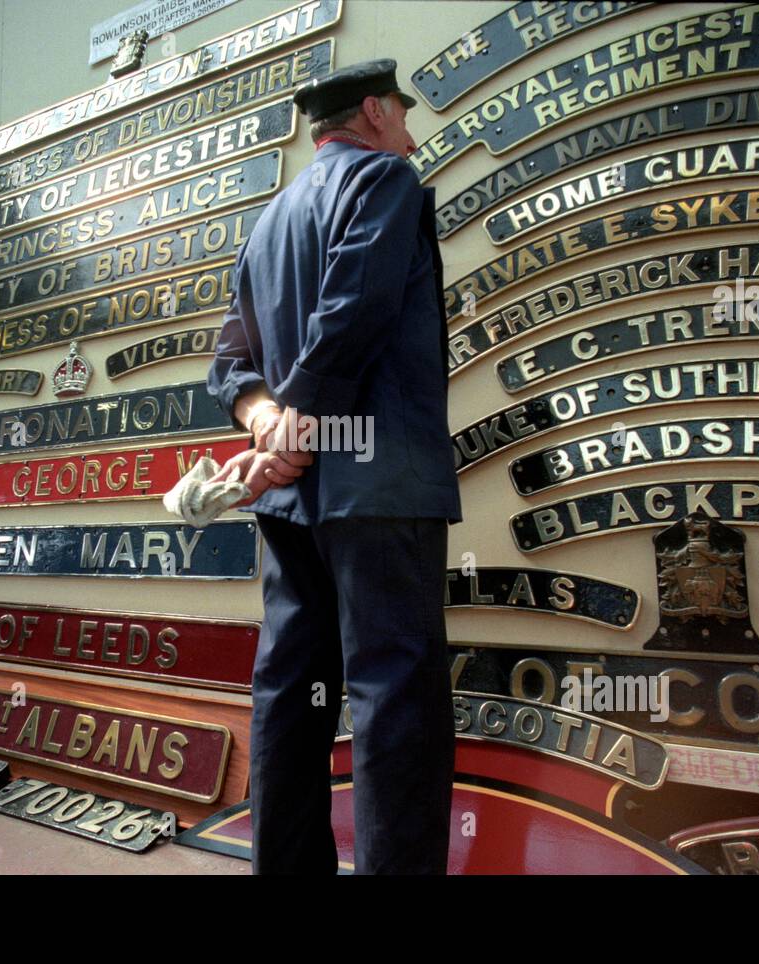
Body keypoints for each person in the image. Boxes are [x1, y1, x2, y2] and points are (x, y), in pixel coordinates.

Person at [206, 59, 463, 875]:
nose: (412, 134)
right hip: (377, 487)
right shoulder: (386, 180)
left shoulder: (270, 218)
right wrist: (296, 428)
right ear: (373, 112)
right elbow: (354, 309)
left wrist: (269, 422)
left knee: (289, 694)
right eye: (402, 114)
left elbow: (229, 364)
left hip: (291, 505)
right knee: (394, 702)